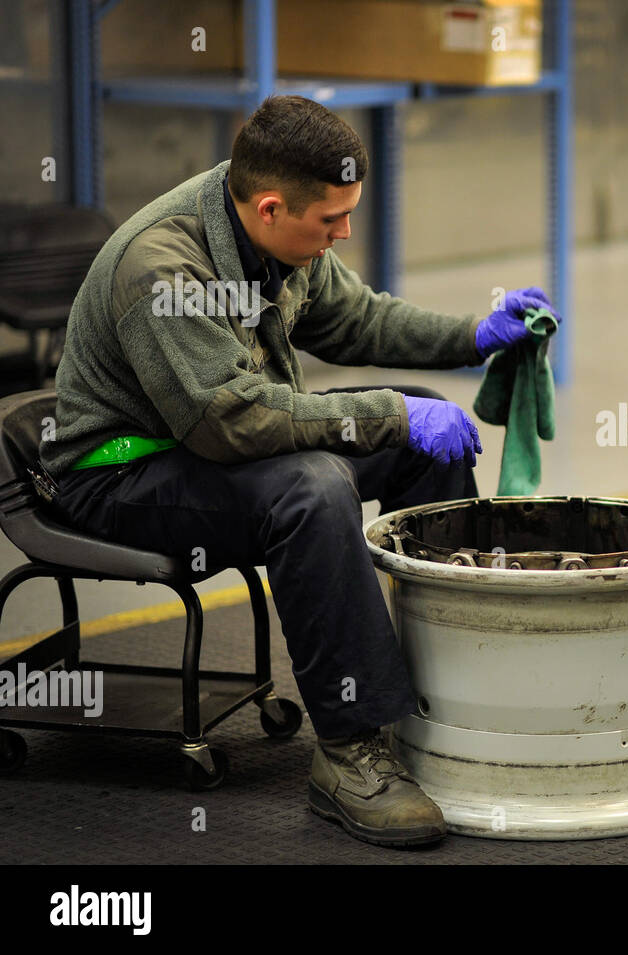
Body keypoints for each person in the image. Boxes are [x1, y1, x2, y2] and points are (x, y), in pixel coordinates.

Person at [37, 95, 558, 847]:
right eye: (332, 222)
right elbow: (232, 422)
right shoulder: (164, 267)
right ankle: (351, 749)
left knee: (417, 427)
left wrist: (473, 335)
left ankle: (452, 685)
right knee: (312, 487)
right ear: (274, 208)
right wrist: (392, 414)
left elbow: (357, 320)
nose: (345, 232)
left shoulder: (272, 227)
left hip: (202, 438)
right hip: (121, 468)